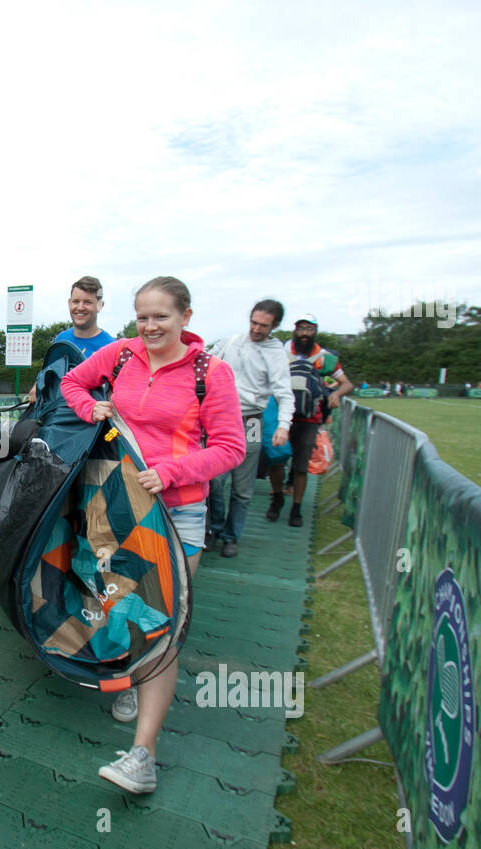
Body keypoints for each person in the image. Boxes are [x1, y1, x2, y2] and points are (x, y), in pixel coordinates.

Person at [59, 276, 245, 792]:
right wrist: (87, 407)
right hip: (115, 501)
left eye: (161, 316)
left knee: (163, 624)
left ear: (186, 316)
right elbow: (73, 383)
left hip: (176, 511)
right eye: (142, 316)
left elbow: (231, 448)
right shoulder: (120, 355)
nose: (150, 326)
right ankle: (130, 681)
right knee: (116, 601)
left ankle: (142, 757)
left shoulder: (213, 373)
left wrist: (170, 472)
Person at [205, 299, 294, 557]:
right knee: (214, 481)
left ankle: (231, 536)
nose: (256, 329)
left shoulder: (276, 353)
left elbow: (284, 393)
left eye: (263, 326)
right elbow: (204, 363)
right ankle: (214, 529)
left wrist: (283, 426)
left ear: (274, 326)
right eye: (254, 322)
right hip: (221, 419)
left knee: (242, 486)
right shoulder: (231, 342)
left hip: (251, 420)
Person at [265, 314, 352, 527]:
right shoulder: (280, 352)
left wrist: (336, 394)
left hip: (309, 418)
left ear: (315, 331)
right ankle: (277, 498)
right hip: (280, 415)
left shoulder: (325, 358)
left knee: (301, 465)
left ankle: (296, 507)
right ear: (295, 330)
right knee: (276, 460)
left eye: (309, 329)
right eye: (301, 329)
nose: (305, 333)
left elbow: (346, 383)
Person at [24, 276, 115, 403]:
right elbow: (50, 373)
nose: (80, 307)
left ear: (100, 305)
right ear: (69, 303)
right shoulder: (62, 339)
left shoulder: (111, 347)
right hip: (58, 414)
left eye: (87, 302)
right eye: (76, 301)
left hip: (93, 419)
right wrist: (37, 386)